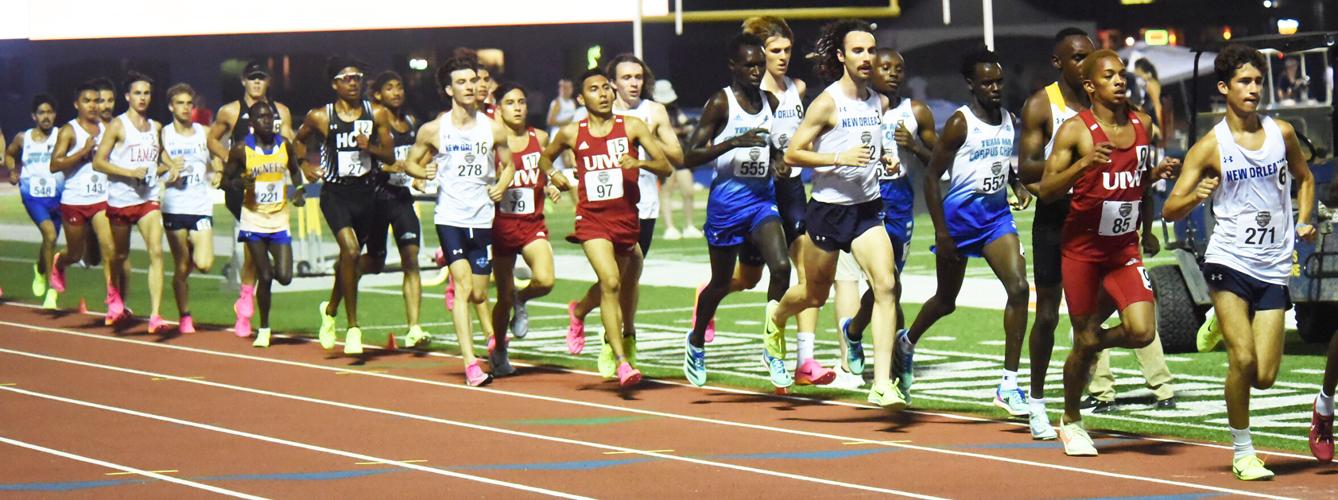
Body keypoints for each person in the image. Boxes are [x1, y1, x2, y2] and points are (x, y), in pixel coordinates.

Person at [1163, 44, 1315, 479]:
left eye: (1258, 81)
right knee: (1242, 362)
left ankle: (1217, 320)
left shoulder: (1282, 133)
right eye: (1244, 82)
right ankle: (1243, 451)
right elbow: (1169, 209)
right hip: (1228, 260)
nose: (1253, 89)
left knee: (1265, 376)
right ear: (1224, 88)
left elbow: (1304, 181)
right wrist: (1195, 196)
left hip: (1272, 266)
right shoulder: (1210, 147)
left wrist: (1304, 220)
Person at [1040, 49, 1177, 457]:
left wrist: (1147, 227)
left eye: (1122, 75)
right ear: (1090, 86)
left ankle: (1091, 342)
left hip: (1122, 250)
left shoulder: (1143, 125)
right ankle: (1071, 419)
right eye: (1109, 76)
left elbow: (1137, 181)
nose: (1120, 81)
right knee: (1084, 341)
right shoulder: (1075, 132)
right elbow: (1047, 190)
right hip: (1082, 253)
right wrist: (1082, 165)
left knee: (1142, 330)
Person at [765, 19, 903, 408]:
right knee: (813, 294)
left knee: (886, 286)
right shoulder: (827, 102)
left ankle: (881, 383)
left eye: (870, 50)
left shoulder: (879, 101)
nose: (866, 57)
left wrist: (885, 159)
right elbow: (793, 153)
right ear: (841, 56)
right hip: (828, 211)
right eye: (857, 51)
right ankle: (776, 318)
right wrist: (838, 157)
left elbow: (871, 147)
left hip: (867, 209)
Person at [900, 48, 1034, 415]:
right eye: (987, 82)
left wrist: (1016, 184)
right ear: (971, 84)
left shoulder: (1007, 118)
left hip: (995, 219)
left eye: (999, 81)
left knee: (1019, 288)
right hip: (959, 222)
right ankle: (907, 342)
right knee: (946, 301)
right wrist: (942, 234)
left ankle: (1008, 384)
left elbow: (999, 161)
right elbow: (930, 177)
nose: (995, 88)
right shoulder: (960, 123)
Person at [541, 68, 670, 386]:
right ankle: (622, 361)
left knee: (615, 283)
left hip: (626, 218)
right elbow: (546, 158)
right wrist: (553, 175)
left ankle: (580, 311)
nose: (602, 93)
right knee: (611, 281)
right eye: (594, 89)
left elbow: (664, 165)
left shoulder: (633, 126)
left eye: (605, 88)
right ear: (582, 98)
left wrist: (638, 163)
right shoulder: (572, 132)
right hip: (592, 219)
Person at [681, 33, 794, 388]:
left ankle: (773, 349)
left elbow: (775, 151)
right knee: (720, 283)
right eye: (749, 65)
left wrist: (779, 164)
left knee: (781, 267)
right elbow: (689, 155)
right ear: (733, 66)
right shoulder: (721, 103)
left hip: (761, 203)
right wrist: (731, 142)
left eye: (759, 65)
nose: (755, 71)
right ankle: (697, 340)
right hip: (727, 207)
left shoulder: (772, 103)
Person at [395, 56, 516, 386]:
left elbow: (509, 164)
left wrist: (501, 186)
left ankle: (451, 268)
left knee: (480, 292)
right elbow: (410, 163)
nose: (470, 87)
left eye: (474, 81)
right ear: (449, 89)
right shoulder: (434, 129)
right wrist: (424, 172)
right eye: (461, 82)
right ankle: (470, 363)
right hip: (450, 218)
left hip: (482, 218)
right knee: (463, 287)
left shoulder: (493, 128)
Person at [566, 54, 684, 363]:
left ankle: (591, 316)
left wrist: (648, 139)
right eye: (626, 78)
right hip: (604, 212)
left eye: (638, 77)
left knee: (627, 278)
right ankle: (616, 341)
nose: (633, 83)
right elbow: (570, 157)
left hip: (643, 207)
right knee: (614, 280)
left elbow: (677, 158)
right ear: (612, 83)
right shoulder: (598, 109)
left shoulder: (652, 112)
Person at [840, 47, 938, 387]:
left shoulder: (917, 112)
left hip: (899, 203)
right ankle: (894, 359)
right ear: (870, 71)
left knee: (890, 284)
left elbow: (940, 162)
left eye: (899, 68)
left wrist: (913, 146)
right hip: (864, 202)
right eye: (886, 67)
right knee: (887, 284)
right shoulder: (854, 109)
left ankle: (854, 331)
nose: (893, 73)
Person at [731, 15, 821, 356]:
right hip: (758, 194)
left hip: (793, 188)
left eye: (787, 49)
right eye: (775, 50)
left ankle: (803, 357)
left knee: (805, 271)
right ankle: (708, 294)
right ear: (760, 52)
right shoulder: (753, 97)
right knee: (747, 278)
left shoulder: (797, 88)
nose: (783, 56)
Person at [296, 56, 397, 355]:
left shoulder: (376, 113)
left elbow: (390, 157)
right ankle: (353, 328)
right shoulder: (320, 117)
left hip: (366, 195)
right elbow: (298, 141)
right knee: (351, 252)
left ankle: (329, 311)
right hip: (335, 194)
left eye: (357, 76)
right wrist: (304, 164)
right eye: (347, 78)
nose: (353, 82)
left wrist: (371, 148)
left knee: (349, 261)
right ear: (335, 84)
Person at [207, 61, 295, 337]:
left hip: (272, 187)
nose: (257, 83)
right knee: (253, 247)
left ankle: (246, 299)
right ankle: (246, 304)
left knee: (257, 252)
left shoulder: (280, 111)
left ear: (268, 82)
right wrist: (228, 162)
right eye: (252, 79)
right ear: (243, 81)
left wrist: (300, 167)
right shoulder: (231, 111)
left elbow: (290, 139)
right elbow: (212, 139)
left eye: (261, 79)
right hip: (241, 189)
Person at [489, 82, 564, 374]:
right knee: (502, 297)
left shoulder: (540, 137)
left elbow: (545, 169)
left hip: (532, 224)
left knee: (545, 281)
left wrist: (549, 188)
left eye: (521, 101)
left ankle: (523, 299)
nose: (518, 107)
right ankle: (499, 350)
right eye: (510, 102)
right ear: (499, 109)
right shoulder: (492, 142)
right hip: (501, 227)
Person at [223, 102, 306, 348]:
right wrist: (240, 182)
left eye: (269, 117)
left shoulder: (284, 145)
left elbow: (295, 170)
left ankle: (263, 279)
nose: (267, 121)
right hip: (254, 221)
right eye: (261, 117)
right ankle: (265, 327)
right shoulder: (241, 150)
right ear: (252, 123)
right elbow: (225, 181)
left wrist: (299, 191)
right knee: (266, 275)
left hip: (279, 221)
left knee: (285, 276)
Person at [93, 72, 167, 332]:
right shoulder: (118, 125)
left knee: (156, 252)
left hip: (147, 198)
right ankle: (115, 296)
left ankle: (156, 314)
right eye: (137, 93)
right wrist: (128, 172)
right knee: (119, 255)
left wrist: (172, 168)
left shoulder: (156, 127)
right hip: (121, 199)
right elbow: (98, 161)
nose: (142, 98)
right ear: (127, 96)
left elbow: (161, 161)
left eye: (146, 93)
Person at [365, 71, 427, 347]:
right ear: (377, 94)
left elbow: (422, 153)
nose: (396, 92)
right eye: (389, 88)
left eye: (399, 86)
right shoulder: (371, 123)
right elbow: (360, 155)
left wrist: (417, 171)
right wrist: (384, 166)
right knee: (375, 263)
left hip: (402, 199)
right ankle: (346, 272)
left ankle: (414, 328)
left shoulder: (411, 122)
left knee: (411, 259)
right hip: (376, 199)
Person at [47, 83, 114, 311]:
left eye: (97, 100)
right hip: (75, 201)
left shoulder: (108, 129)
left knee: (109, 249)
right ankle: (61, 262)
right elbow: (55, 165)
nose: (94, 105)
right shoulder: (69, 130)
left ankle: (113, 300)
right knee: (76, 254)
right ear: (77, 104)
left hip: (101, 199)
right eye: (88, 101)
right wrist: (82, 153)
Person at [160, 83, 216, 333]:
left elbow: (218, 160)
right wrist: (169, 170)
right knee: (181, 266)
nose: (185, 108)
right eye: (180, 103)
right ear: (171, 106)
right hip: (174, 206)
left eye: (189, 103)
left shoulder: (204, 132)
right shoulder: (163, 134)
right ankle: (185, 315)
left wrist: (219, 172)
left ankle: (194, 246)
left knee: (204, 264)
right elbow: (154, 167)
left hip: (201, 206)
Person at [5, 94, 63, 309]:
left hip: (57, 196)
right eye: (41, 113)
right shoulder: (24, 138)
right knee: (49, 234)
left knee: (51, 239)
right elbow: (9, 154)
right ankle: (51, 290)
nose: (46, 116)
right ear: (33, 116)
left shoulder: (62, 135)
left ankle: (39, 269)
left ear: (55, 115)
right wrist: (12, 170)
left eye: (49, 112)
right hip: (32, 196)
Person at [652, 78, 698, 241]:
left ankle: (689, 225)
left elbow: (685, 122)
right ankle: (670, 227)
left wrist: (689, 126)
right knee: (666, 192)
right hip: (666, 156)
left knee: (688, 191)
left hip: (680, 156)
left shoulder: (674, 110)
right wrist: (680, 130)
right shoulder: (653, 112)